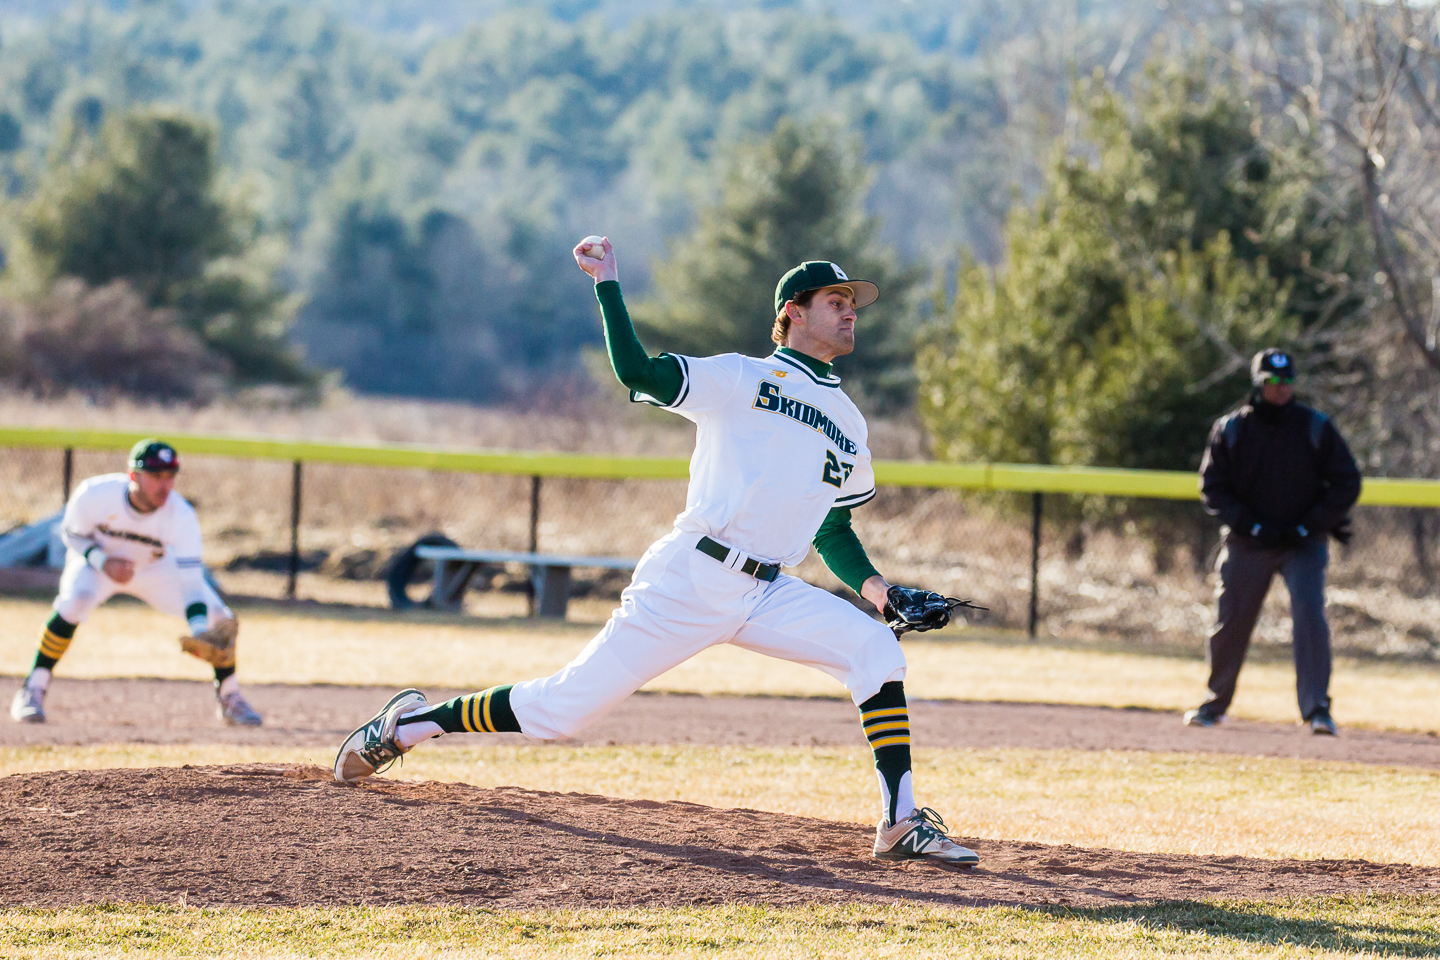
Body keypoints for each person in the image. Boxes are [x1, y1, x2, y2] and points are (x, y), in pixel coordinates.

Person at [334, 238, 979, 870]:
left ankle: (900, 822)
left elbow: (832, 529)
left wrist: (881, 595)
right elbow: (638, 374)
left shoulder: (849, 420)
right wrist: (608, 284)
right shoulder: (741, 377)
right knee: (561, 711)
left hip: (767, 592)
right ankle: (411, 724)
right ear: (793, 312)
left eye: (853, 303)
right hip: (692, 576)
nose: (850, 312)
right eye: (835, 300)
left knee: (875, 649)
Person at [8, 439, 263, 727]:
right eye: (156, 475)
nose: (165, 484)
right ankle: (33, 688)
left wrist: (200, 632)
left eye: (170, 475)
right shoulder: (96, 494)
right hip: (98, 561)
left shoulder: (181, 515)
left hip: (154, 567)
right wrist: (103, 562)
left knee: (220, 617)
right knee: (74, 601)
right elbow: (72, 534)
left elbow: (192, 583)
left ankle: (229, 698)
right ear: (133, 475)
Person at [1187, 348, 1362, 735]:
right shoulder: (1232, 429)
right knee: (1231, 620)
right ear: (1258, 384)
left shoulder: (1315, 427)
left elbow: (1347, 481)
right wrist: (1249, 525)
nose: (1281, 388)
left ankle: (1317, 709)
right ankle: (1215, 703)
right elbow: (1212, 487)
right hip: (1249, 542)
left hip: (1303, 542)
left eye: (1287, 381)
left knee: (1310, 616)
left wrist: (1312, 523)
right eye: (1273, 381)